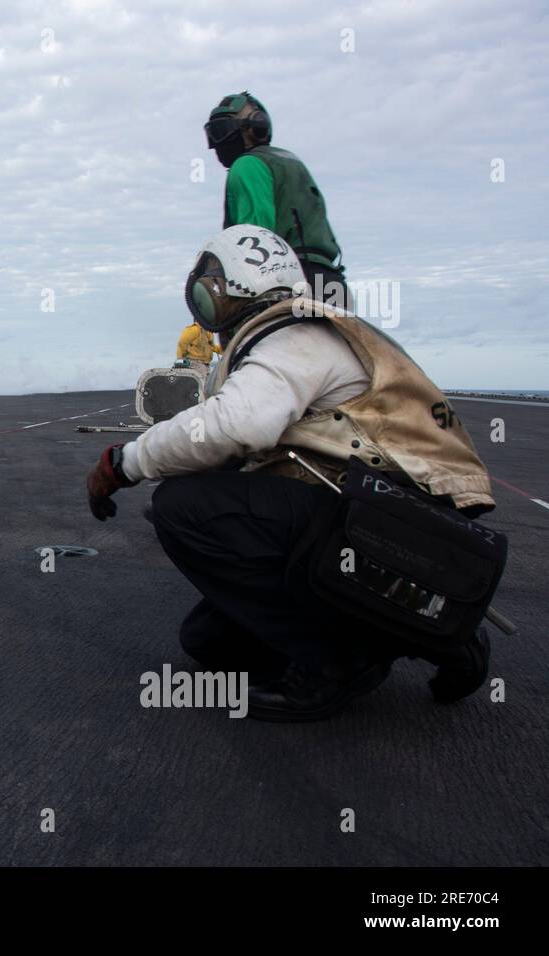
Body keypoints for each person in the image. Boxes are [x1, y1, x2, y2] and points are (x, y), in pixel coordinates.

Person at [86, 225, 495, 721]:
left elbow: (236, 425)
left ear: (236, 287)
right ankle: (442, 634)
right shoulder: (303, 334)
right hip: (396, 522)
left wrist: (124, 463)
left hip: (387, 522)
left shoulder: (294, 335)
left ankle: (332, 665)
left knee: (181, 507)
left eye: (212, 287)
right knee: (209, 642)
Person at [204, 92, 350, 309]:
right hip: (332, 285)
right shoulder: (291, 161)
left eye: (223, 131)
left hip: (287, 282)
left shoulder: (246, 164)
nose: (218, 143)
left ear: (256, 126)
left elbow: (254, 238)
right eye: (213, 134)